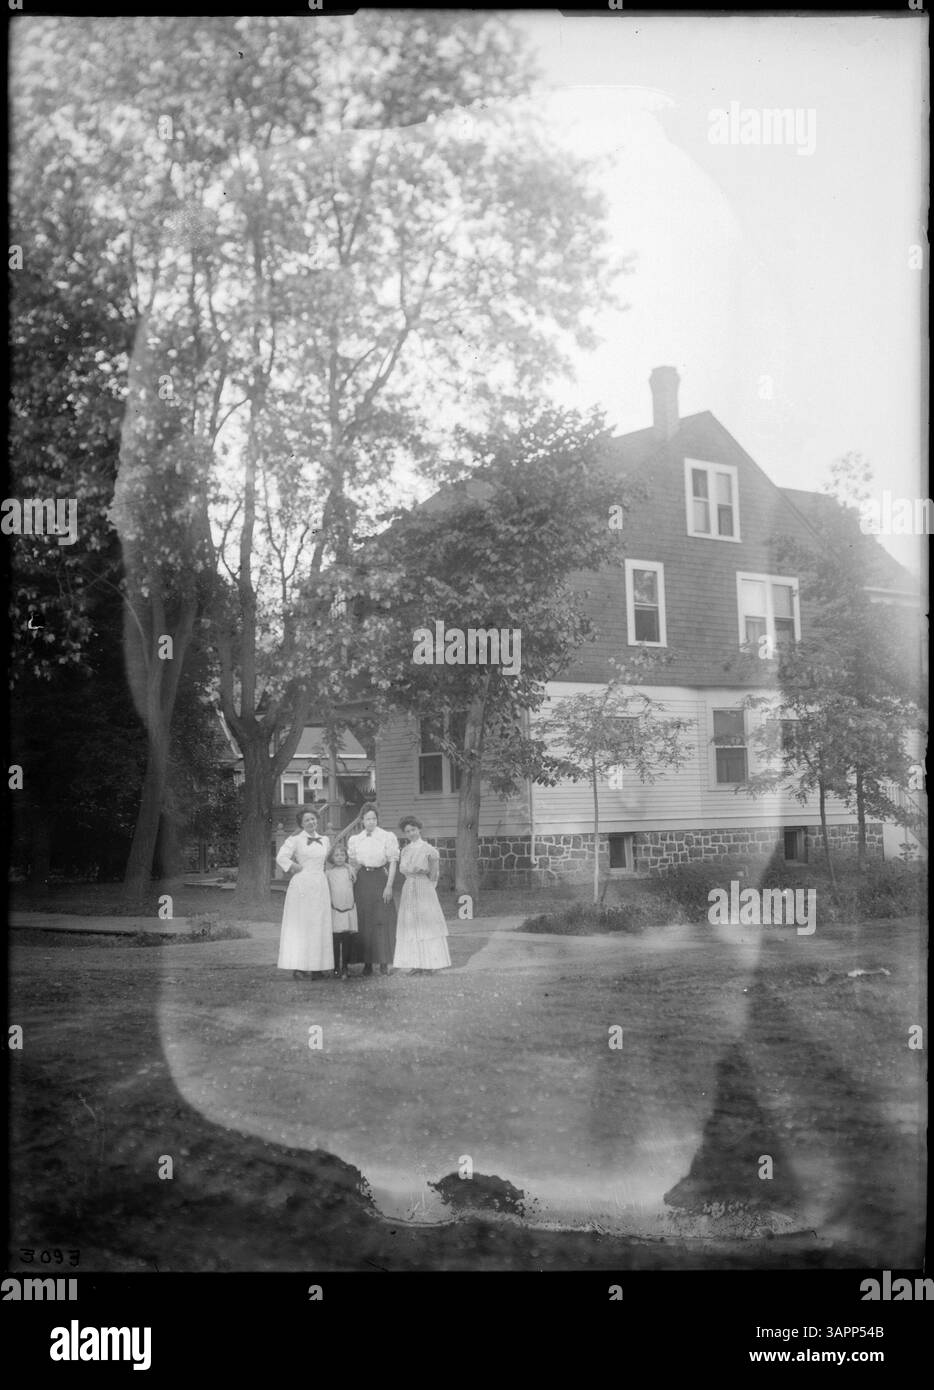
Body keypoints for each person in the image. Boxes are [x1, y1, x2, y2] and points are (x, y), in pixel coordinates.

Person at [275, 809, 334, 980]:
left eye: (313, 819)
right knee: (303, 925)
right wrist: (295, 867)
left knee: (319, 924)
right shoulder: (295, 840)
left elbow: (330, 860)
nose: (311, 822)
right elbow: (281, 857)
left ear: (318, 821)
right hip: (302, 885)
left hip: (320, 884)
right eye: (307, 820)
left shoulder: (325, 840)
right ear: (301, 823)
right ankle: (299, 967)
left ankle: (317, 968)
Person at [392, 816, 451, 975]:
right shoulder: (404, 850)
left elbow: (433, 876)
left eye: (413, 830)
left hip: (424, 888)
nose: (411, 833)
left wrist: (425, 885)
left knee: (426, 924)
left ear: (419, 829)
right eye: (408, 831)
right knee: (412, 924)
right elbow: (404, 871)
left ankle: (429, 964)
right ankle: (416, 963)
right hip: (409, 888)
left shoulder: (429, 850)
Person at [346, 803, 399, 976]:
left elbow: (392, 862)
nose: (371, 822)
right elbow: (354, 864)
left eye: (374, 818)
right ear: (362, 820)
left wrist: (389, 886)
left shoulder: (387, 836)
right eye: (368, 818)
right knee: (365, 921)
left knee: (382, 920)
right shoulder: (355, 839)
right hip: (362, 880)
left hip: (380, 879)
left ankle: (383, 962)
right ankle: (367, 963)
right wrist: (351, 876)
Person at [325, 842, 358, 979]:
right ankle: (336, 968)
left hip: (348, 908)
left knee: (347, 939)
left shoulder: (350, 870)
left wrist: (350, 866)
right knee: (335, 939)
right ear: (332, 857)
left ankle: (345, 966)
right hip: (335, 909)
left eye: (342, 855)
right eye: (336, 855)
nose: (339, 857)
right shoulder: (328, 873)